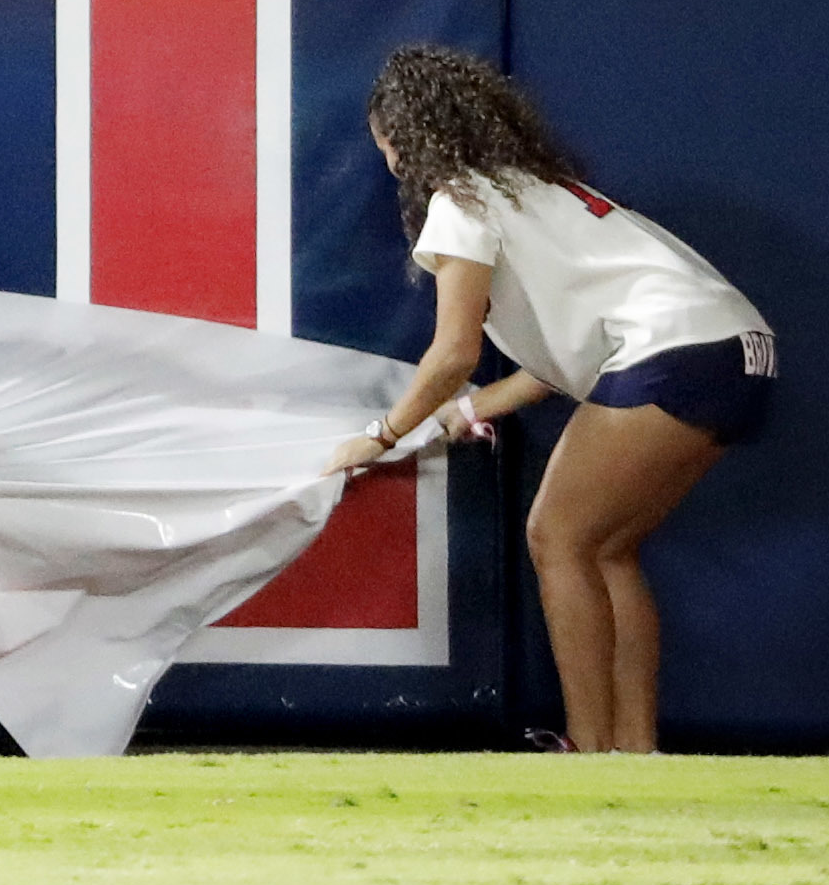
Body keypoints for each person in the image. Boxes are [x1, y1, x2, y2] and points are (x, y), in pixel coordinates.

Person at [327, 43, 780, 759]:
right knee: (609, 550)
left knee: (556, 537)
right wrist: (469, 412)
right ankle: (633, 752)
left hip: (672, 349)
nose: (386, 162)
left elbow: (453, 353)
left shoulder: (460, 201)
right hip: (741, 353)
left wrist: (380, 434)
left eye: (383, 144)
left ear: (402, 136)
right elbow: (549, 367)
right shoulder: (538, 190)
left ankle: (590, 749)